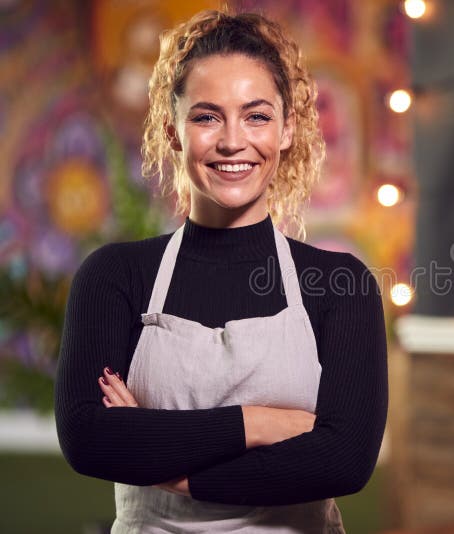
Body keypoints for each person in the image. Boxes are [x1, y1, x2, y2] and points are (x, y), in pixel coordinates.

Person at [54, 9, 388, 533]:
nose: (233, 141)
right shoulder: (115, 276)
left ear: (286, 130)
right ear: (173, 132)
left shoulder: (339, 286)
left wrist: (174, 468)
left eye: (256, 116)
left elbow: (343, 460)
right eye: (207, 117)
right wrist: (261, 424)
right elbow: (90, 440)